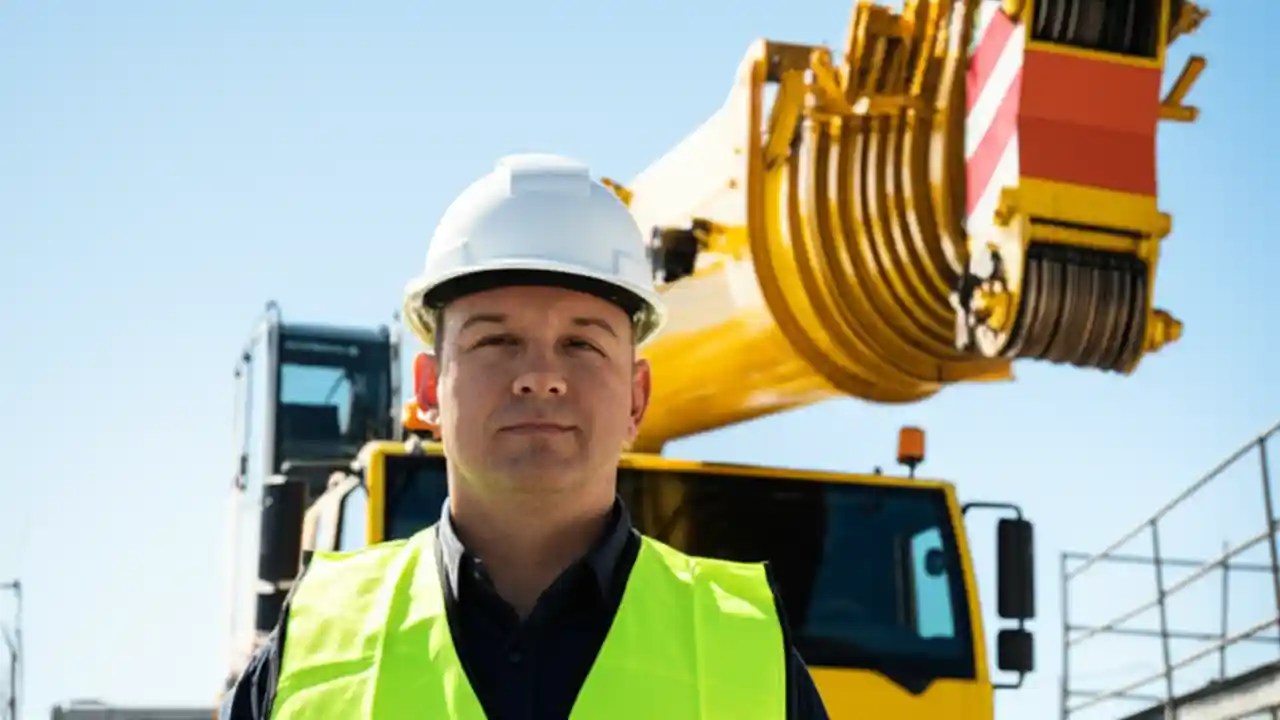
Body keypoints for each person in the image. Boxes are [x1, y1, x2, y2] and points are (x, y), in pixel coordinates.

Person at [220, 153, 830, 719]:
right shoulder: (311, 644)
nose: (540, 377)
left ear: (637, 399)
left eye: (581, 344)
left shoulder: (747, 651)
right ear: (429, 390)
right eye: (496, 341)